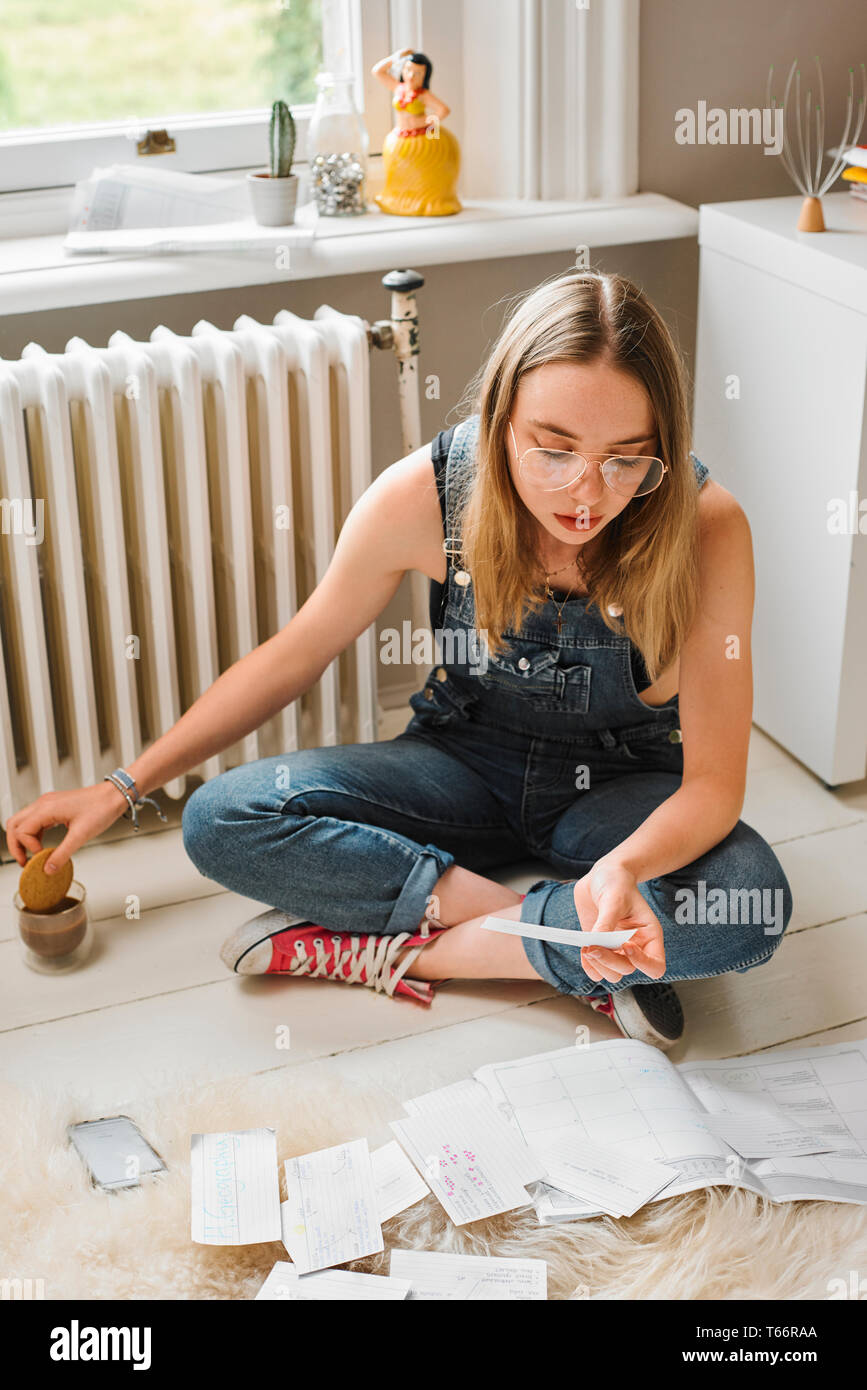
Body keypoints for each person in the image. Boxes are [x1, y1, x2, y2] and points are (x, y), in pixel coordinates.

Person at [4, 270, 792, 1052]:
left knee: (747, 906)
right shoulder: (425, 494)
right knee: (222, 818)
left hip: (620, 793)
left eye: (626, 458)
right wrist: (120, 787)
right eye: (552, 451)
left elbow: (714, 785)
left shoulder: (706, 527)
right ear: (499, 420)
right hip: (460, 768)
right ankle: (574, 951)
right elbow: (298, 651)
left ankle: (425, 950)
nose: (586, 493)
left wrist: (624, 869)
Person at [371, 47, 462, 216]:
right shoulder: (398, 88)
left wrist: (424, 121)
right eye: (408, 70)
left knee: (424, 173)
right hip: (400, 137)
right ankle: (400, 200)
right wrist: (397, 57)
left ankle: (429, 201)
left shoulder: (423, 95)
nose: (412, 76)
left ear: (425, 76)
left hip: (421, 137)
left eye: (418, 73)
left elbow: (443, 110)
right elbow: (377, 71)